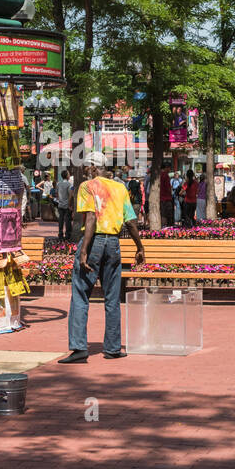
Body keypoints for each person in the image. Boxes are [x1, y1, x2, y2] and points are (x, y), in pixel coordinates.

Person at [59, 151, 145, 363]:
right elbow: (131, 222)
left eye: (86, 168)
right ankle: (113, 348)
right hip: (113, 244)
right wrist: (139, 247)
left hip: (95, 241)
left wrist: (85, 250)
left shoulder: (88, 186)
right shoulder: (120, 187)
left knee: (80, 295)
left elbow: (90, 218)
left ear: (93, 167)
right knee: (112, 298)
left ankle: (79, 348)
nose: (85, 171)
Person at [56, 168, 73, 240]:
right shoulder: (69, 184)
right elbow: (70, 195)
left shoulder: (58, 184)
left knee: (61, 220)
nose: (69, 175)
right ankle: (67, 234)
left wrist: (59, 200)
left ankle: (60, 234)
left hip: (60, 204)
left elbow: (57, 194)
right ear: (67, 176)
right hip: (66, 205)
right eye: (69, 174)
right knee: (67, 220)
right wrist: (69, 205)